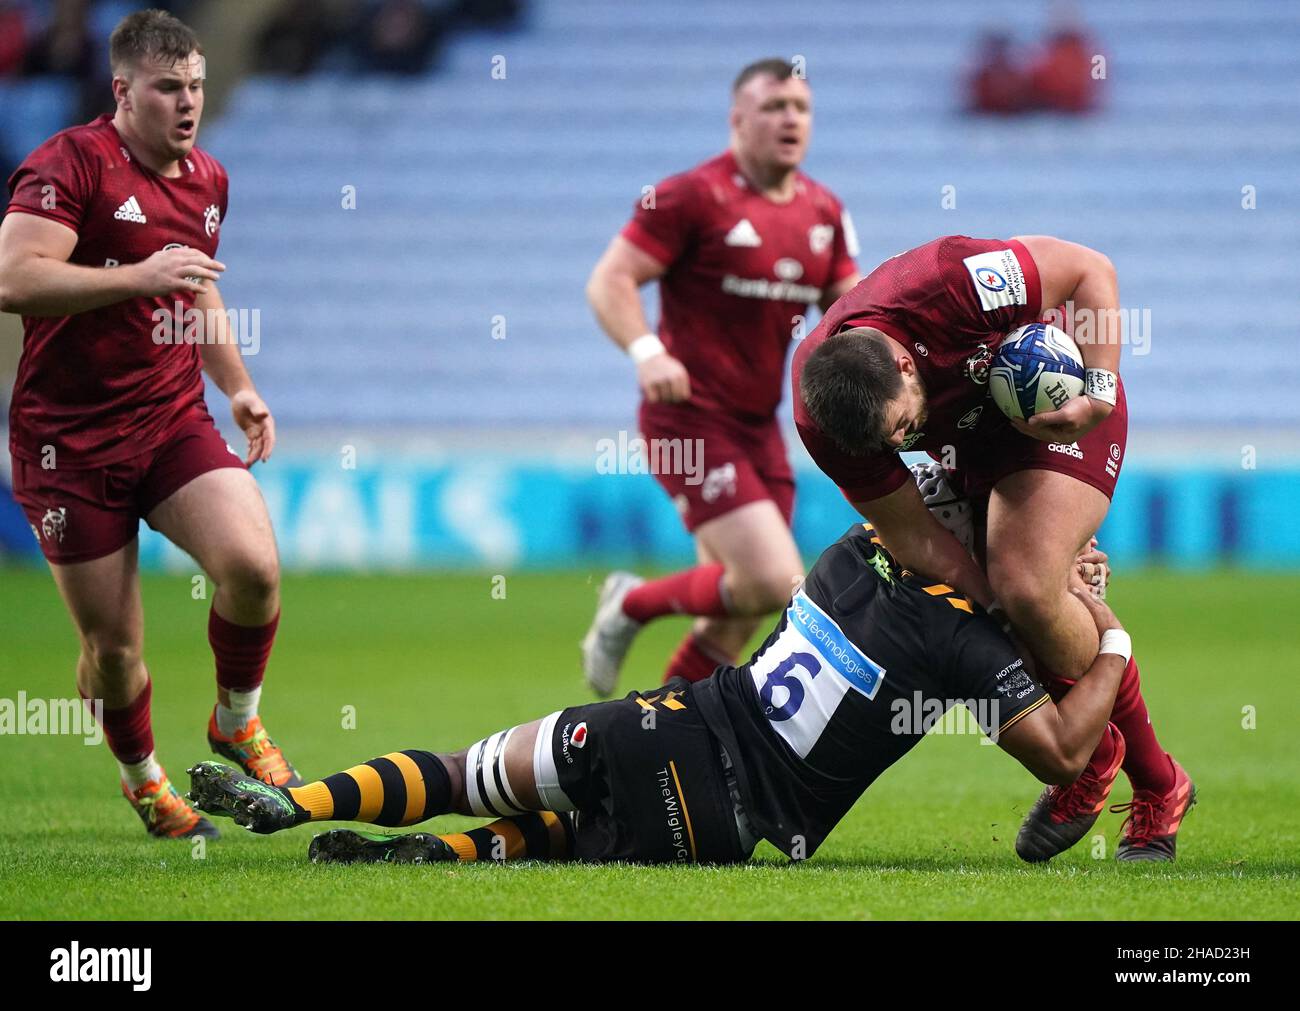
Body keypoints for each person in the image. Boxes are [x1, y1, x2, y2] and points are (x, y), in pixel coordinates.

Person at [187, 502, 1136, 868]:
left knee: (471, 768)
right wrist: (1109, 635)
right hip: (726, 826)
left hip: (670, 721)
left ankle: (292, 799)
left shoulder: (852, 548)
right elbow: (1061, 749)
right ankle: (440, 863)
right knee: (560, 836)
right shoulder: (965, 646)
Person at [791, 234, 1193, 861]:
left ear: (903, 366)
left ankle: (1101, 763)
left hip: (1055, 412)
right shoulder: (827, 421)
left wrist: (1099, 394)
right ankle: (1155, 780)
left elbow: (1092, 269)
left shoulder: (948, 282)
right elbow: (916, 538)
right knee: (995, 600)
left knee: (1027, 585)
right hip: (969, 448)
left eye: (902, 427)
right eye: (891, 443)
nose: (902, 442)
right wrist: (994, 609)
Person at [0, 9, 300, 840]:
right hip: (67, 444)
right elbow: (14, 277)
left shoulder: (208, 178)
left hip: (169, 419)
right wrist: (138, 276)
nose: (189, 102)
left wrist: (238, 386)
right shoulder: (70, 163)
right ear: (123, 90)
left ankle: (236, 720)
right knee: (116, 652)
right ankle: (145, 781)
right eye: (169, 88)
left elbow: (195, 284)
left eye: (198, 86)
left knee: (253, 567)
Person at [582, 57, 861, 698]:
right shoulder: (691, 197)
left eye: (801, 108)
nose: (790, 119)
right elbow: (610, 279)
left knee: (734, 618)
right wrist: (648, 350)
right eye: (773, 107)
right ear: (738, 119)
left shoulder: (824, 211)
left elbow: (851, 314)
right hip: (690, 416)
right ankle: (633, 602)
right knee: (772, 583)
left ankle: (654, 737)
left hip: (759, 425)